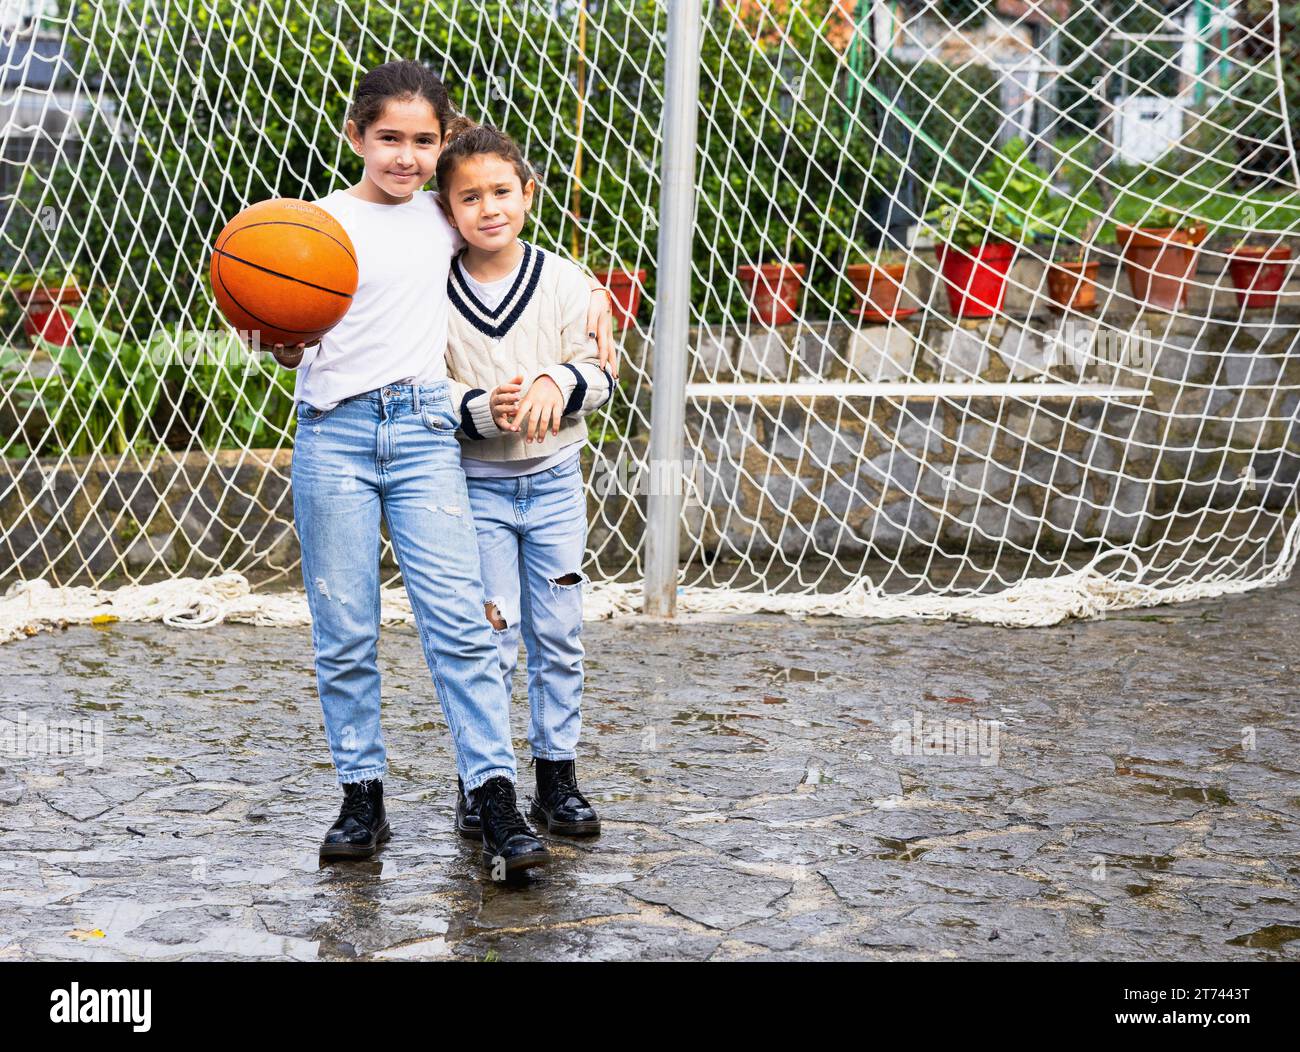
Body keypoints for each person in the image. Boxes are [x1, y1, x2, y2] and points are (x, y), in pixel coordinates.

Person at [264, 61, 616, 877]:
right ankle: (362, 793)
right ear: (356, 136)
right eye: (388, 138)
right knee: (344, 629)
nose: (405, 155)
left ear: (443, 143)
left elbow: (511, 229)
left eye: (423, 140)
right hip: (333, 434)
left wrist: (592, 292)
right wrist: (274, 337)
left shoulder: (442, 216)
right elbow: (275, 333)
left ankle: (493, 798)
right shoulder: (309, 228)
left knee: (463, 626)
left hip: (425, 430)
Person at [435, 121, 612, 840]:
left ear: (528, 194)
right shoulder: (434, 290)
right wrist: (477, 409)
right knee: (489, 638)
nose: (489, 208)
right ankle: (483, 782)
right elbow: (422, 380)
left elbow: (601, 372)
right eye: (469, 197)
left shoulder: (567, 281)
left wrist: (556, 381)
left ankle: (557, 775)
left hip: (553, 485)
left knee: (559, 632)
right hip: (473, 489)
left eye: (502, 191)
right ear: (448, 211)